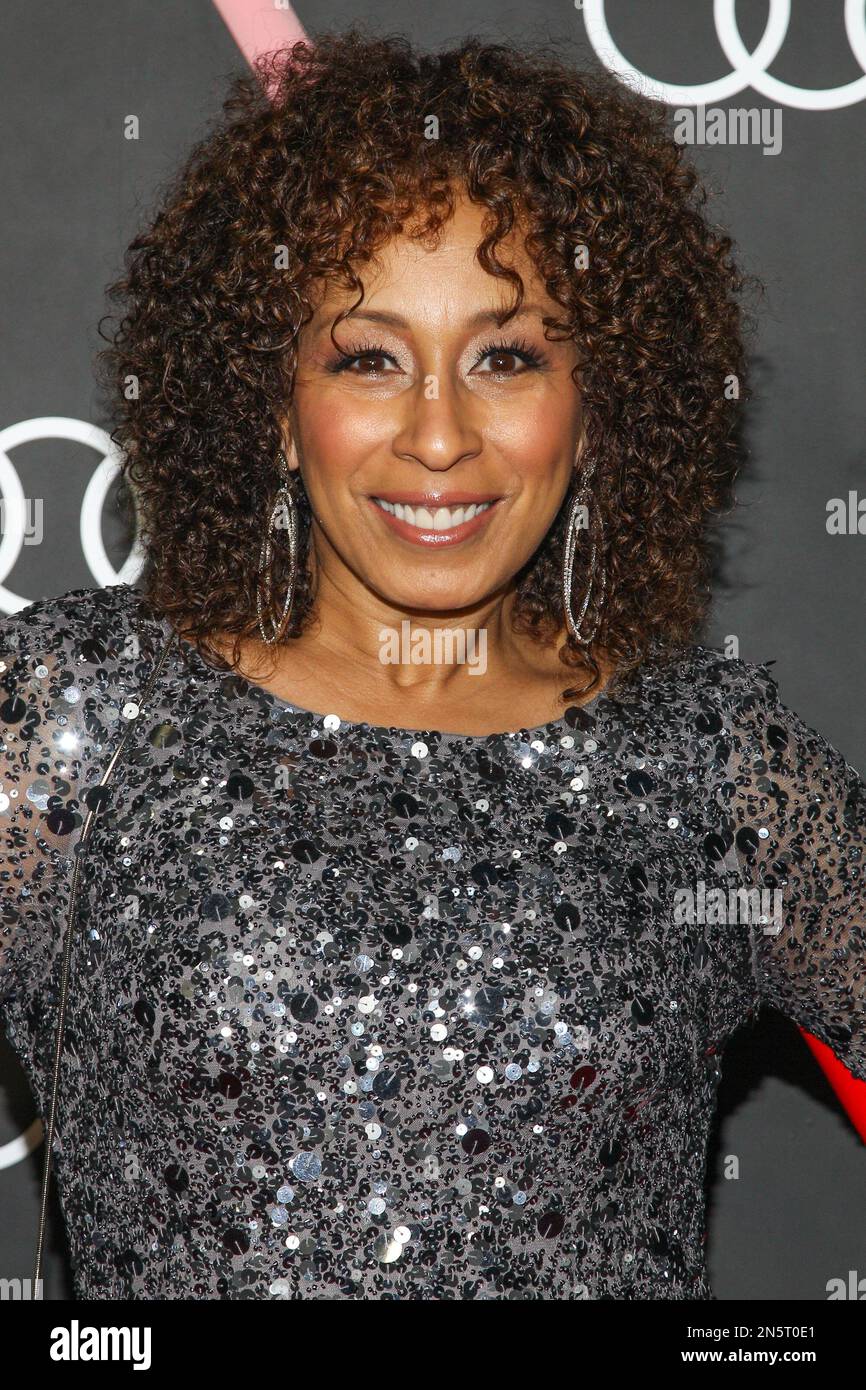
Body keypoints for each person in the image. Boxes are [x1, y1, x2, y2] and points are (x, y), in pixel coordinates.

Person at [0, 29, 863, 1302]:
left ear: (598, 395)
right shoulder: (74, 722)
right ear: (272, 404)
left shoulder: (716, 774)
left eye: (506, 356)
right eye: (368, 357)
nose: (440, 435)